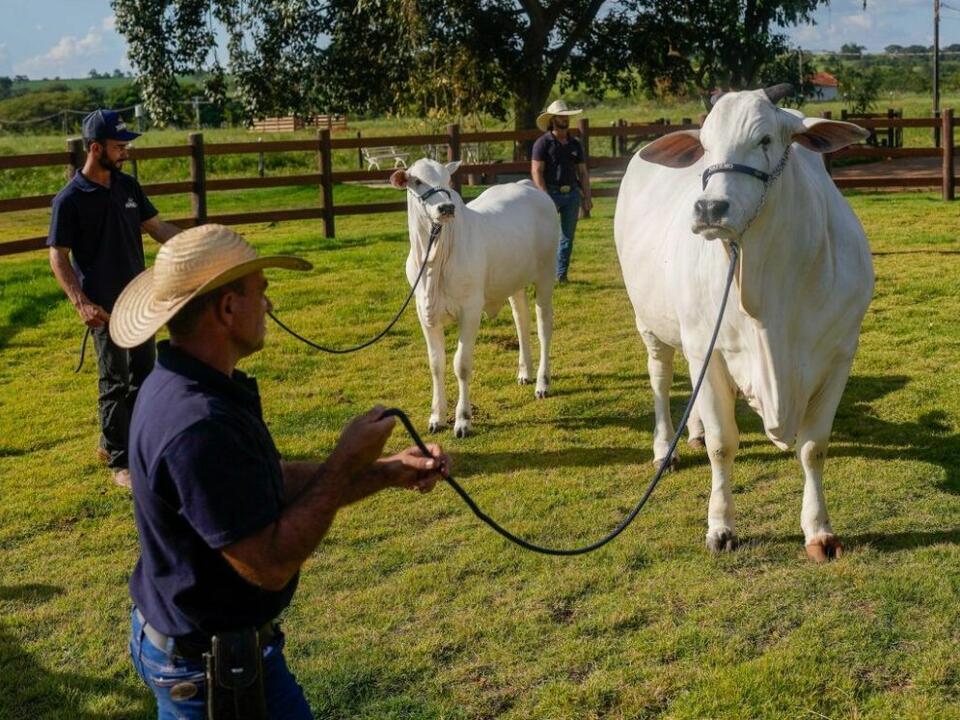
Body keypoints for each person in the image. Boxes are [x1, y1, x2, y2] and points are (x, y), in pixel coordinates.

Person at [109, 223, 450, 719]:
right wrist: (343, 461)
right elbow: (267, 563)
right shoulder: (198, 425)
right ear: (228, 308)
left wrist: (388, 471)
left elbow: (261, 487)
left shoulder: (188, 385)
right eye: (260, 293)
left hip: (203, 648)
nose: (267, 307)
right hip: (209, 671)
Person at [47, 108, 182, 489]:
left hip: (142, 299)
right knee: (115, 381)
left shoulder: (127, 187)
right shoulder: (69, 200)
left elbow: (156, 227)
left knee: (145, 377)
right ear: (95, 148)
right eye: (119, 146)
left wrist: (198, 245)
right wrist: (81, 302)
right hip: (105, 308)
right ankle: (120, 462)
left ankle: (136, 447)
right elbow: (57, 255)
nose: (126, 153)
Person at [530, 99, 593, 284]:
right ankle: (539, 273)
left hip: (572, 194)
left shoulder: (575, 144)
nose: (564, 120)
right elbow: (536, 171)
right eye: (561, 117)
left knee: (567, 237)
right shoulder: (543, 144)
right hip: (551, 192)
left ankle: (561, 275)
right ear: (553, 119)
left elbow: (582, 172)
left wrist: (587, 196)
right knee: (544, 236)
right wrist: (545, 197)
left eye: (566, 116)